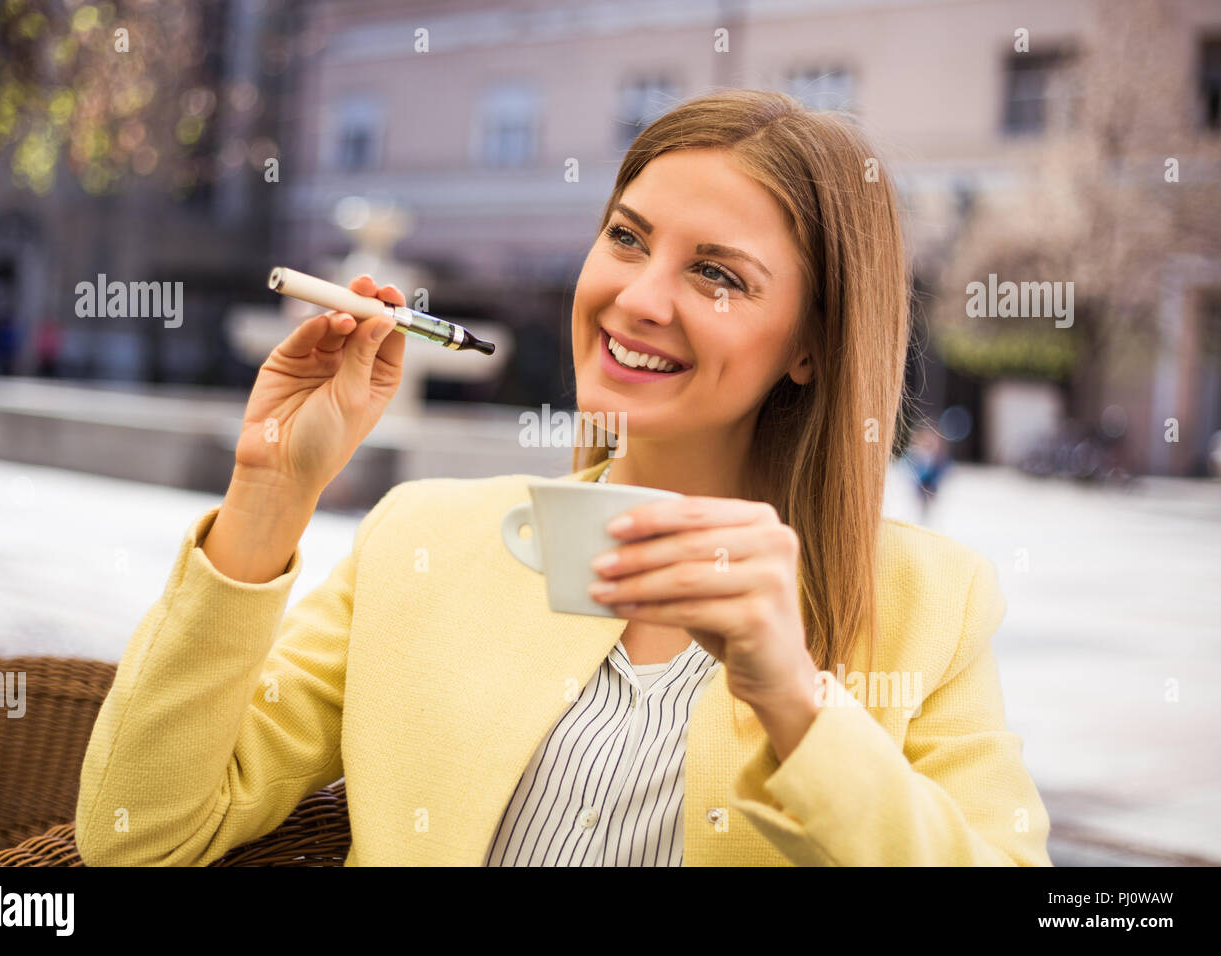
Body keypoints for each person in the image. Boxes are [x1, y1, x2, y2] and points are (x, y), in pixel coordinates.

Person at [75, 89, 1052, 866]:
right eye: (626, 237)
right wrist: (271, 491)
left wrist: (797, 700)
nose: (636, 297)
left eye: (718, 274)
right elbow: (138, 832)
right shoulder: (425, 537)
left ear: (811, 342)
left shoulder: (927, 600)